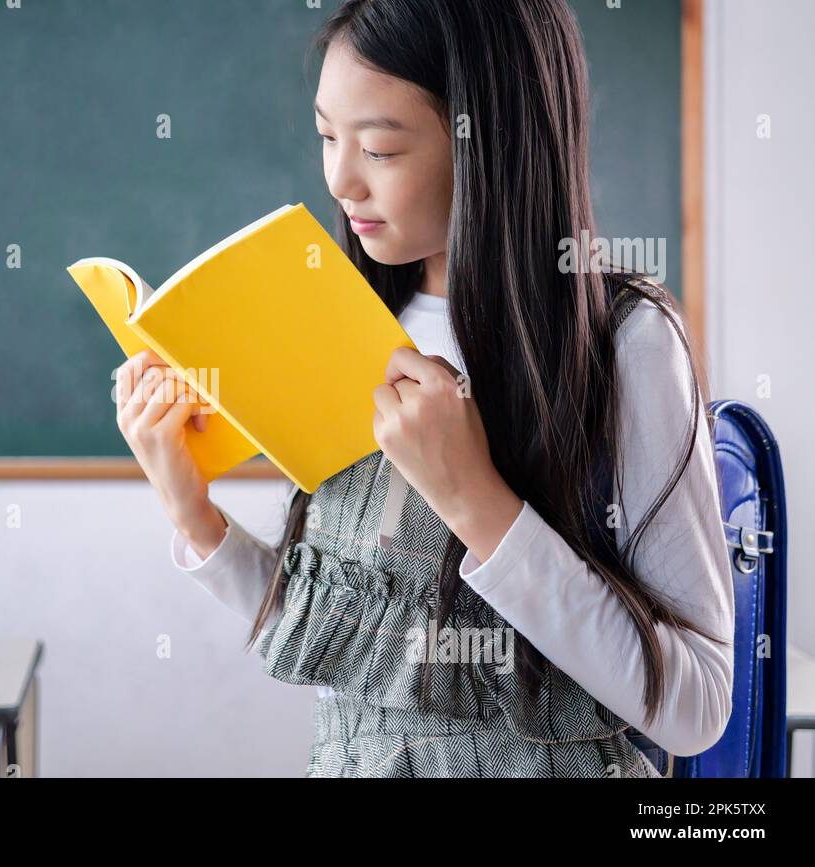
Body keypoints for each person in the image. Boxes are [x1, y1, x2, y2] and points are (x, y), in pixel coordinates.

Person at [113, 0, 733, 777]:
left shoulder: (622, 341)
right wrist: (192, 512)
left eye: (378, 147)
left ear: (489, 143)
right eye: (327, 137)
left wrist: (477, 499)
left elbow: (698, 707)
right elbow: (347, 643)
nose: (340, 179)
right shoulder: (346, 323)